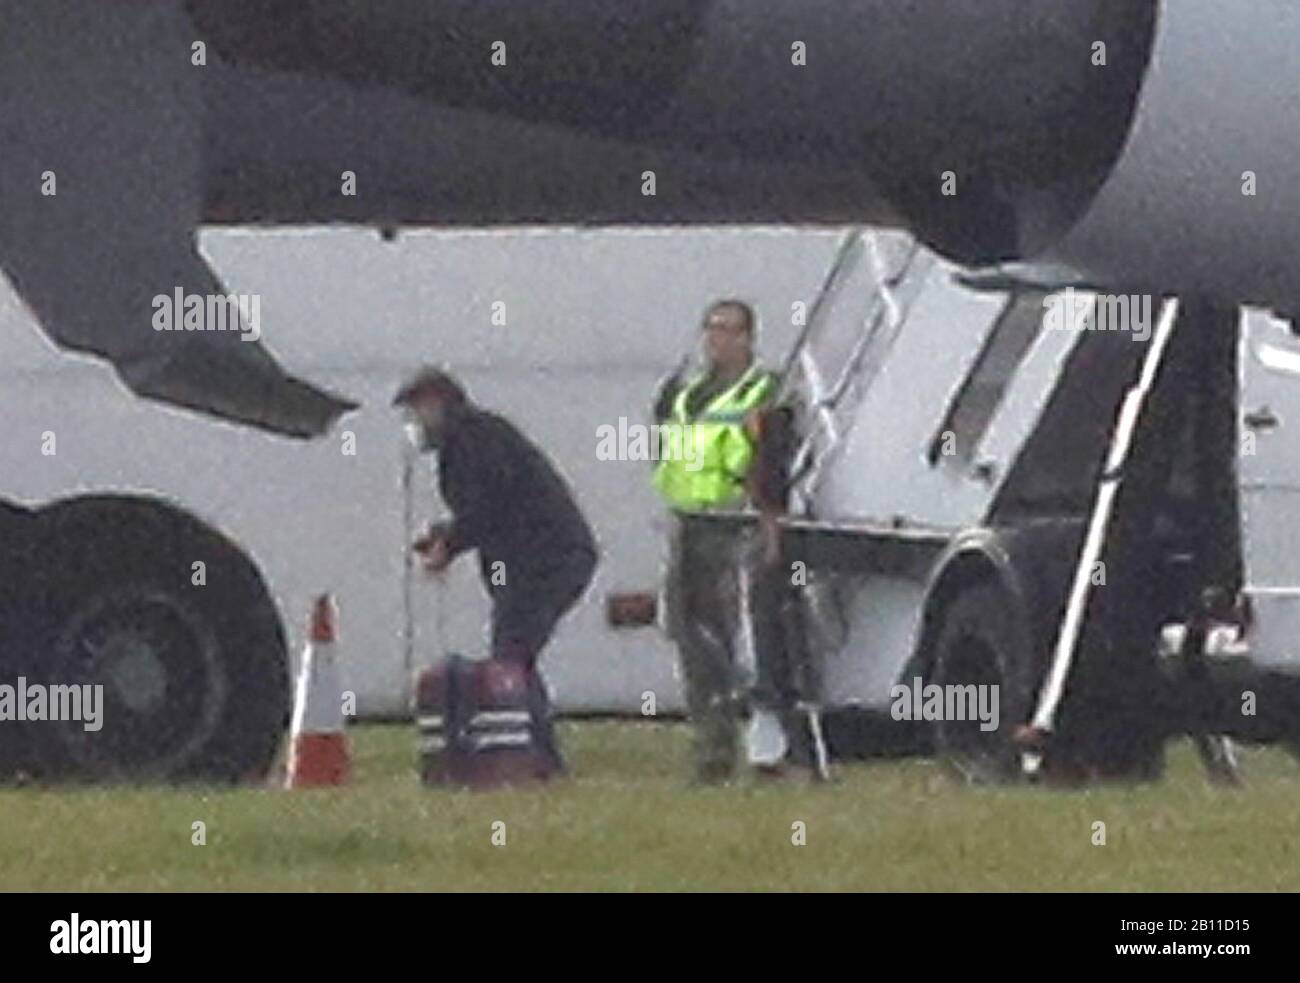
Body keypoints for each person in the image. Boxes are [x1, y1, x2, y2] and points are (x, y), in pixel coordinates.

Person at [394, 366, 597, 770]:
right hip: (540, 556)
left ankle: (534, 757)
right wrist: (446, 534)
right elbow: (486, 508)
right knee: (515, 653)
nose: (414, 425)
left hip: (545, 559)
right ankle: (536, 754)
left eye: (417, 413)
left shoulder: (472, 440)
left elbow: (489, 506)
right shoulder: (475, 437)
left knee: (511, 653)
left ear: (438, 404)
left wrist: (448, 546)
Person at [651, 300, 780, 782]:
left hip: (735, 528)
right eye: (711, 329)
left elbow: (771, 459)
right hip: (689, 525)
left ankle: (767, 752)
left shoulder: (761, 391)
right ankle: (712, 750)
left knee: (742, 642)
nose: (716, 339)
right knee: (691, 639)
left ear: (748, 337)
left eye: (728, 330)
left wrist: (770, 524)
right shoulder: (686, 392)